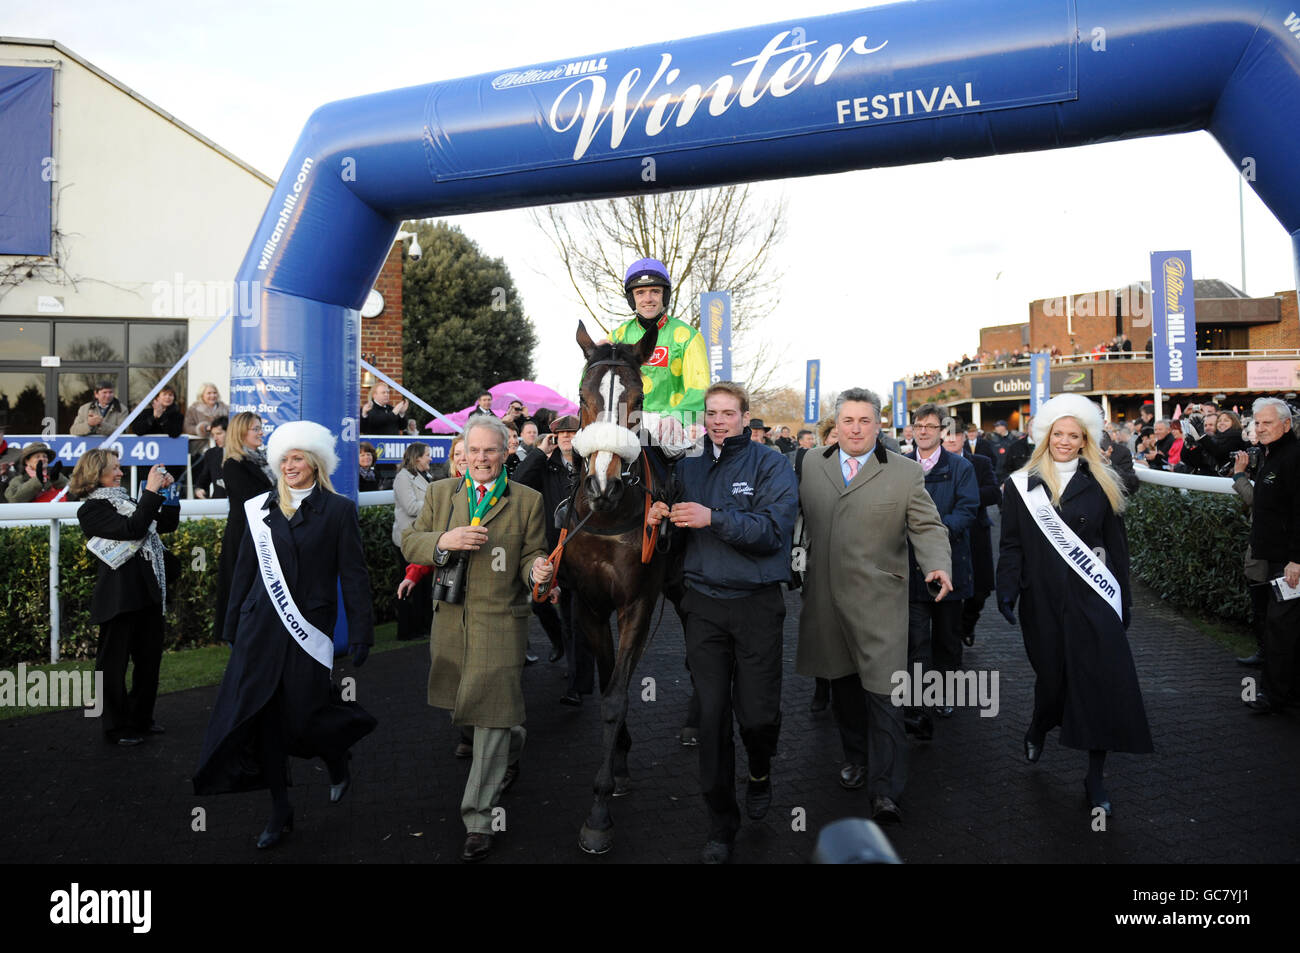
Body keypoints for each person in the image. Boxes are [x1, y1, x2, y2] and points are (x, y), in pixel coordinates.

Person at [194, 421, 375, 848]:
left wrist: (362, 630)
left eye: (297, 458)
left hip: (307, 630)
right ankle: (279, 809)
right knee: (264, 720)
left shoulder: (338, 510)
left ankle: (334, 753)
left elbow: (353, 575)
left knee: (304, 714)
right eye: (283, 460)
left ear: (314, 463)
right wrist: (232, 623)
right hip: (260, 628)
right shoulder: (258, 508)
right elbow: (244, 572)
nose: (289, 466)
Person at [647, 382, 798, 864]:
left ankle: (759, 769)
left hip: (756, 605)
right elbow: (671, 526)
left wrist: (715, 518)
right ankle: (720, 824)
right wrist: (658, 517)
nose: (717, 420)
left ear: (745, 417)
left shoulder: (770, 463)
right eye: (711, 412)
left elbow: (774, 533)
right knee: (710, 720)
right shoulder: (686, 464)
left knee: (756, 717)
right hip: (704, 607)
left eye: (728, 413)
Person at [795, 388, 952, 825]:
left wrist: (937, 565)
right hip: (826, 602)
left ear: (879, 425)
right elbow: (798, 518)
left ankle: (885, 791)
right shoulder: (811, 463)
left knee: (885, 698)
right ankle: (856, 758)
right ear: (836, 424)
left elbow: (927, 525)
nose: (856, 429)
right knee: (844, 693)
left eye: (865, 421)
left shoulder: (903, 473)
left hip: (881, 605)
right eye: (848, 421)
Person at [401, 415, 550, 862]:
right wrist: (444, 539)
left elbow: (532, 555)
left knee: (488, 719)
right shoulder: (441, 493)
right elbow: (411, 542)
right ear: (464, 454)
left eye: (491, 450)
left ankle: (479, 819)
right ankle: (513, 741)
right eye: (475, 451)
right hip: (449, 622)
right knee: (467, 710)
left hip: (501, 622)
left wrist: (538, 570)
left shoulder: (528, 500)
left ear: (506, 453)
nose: (482, 458)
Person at [996, 394, 1151, 816]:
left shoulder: (1102, 481)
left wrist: (1124, 600)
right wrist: (1006, 589)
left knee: (1098, 680)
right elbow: (1010, 544)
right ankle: (1040, 721)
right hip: (1043, 599)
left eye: (1074, 434)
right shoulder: (1020, 484)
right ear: (1046, 436)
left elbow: (1117, 549)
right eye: (1058, 433)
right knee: (1054, 677)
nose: (1065, 441)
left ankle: (1095, 778)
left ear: (1085, 439)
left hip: (1093, 596)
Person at [71, 451, 179, 746]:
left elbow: (166, 524)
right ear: (96, 473)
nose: (120, 472)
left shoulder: (129, 501)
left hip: (148, 590)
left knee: (149, 661)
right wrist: (149, 492)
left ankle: (141, 719)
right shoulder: (91, 510)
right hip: (119, 597)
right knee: (113, 664)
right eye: (114, 468)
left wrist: (167, 493)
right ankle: (116, 727)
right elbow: (132, 529)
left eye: (119, 467)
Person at [904, 408, 978, 734]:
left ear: (941, 430)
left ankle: (945, 693)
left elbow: (968, 510)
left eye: (930, 426)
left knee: (947, 639)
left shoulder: (960, 467)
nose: (923, 431)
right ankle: (918, 701)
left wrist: (932, 533)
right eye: (918, 426)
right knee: (915, 638)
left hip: (949, 567)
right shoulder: (900, 466)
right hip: (909, 569)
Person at [514, 415, 592, 699]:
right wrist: (538, 452)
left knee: (581, 621)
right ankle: (575, 676)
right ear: (554, 438)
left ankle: (579, 684)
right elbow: (517, 483)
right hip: (556, 554)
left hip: (588, 555)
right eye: (562, 434)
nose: (568, 438)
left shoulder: (591, 465)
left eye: (573, 433)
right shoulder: (545, 467)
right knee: (568, 619)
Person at [1238, 398, 1300, 712]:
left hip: (1288, 563)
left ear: (1286, 425)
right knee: (1282, 627)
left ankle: (1274, 696)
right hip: (1274, 558)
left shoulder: (1292, 457)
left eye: (1267, 423)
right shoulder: (1270, 455)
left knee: (1281, 628)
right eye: (1257, 423)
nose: (1259, 428)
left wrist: (1296, 559)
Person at [610, 258, 709, 454]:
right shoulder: (616, 337)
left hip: (673, 426)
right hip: (626, 424)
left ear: (664, 296)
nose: (648, 298)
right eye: (640, 292)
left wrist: (678, 416)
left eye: (655, 291)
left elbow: (700, 390)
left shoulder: (688, 337)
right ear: (632, 298)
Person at [213, 412, 275, 641]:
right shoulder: (233, 464)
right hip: (243, 537)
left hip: (264, 534)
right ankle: (238, 638)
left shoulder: (265, 460)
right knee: (242, 589)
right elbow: (254, 499)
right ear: (241, 433)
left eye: (260, 428)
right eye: (255, 429)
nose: (261, 433)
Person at [942, 426, 1000, 648]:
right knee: (951, 589)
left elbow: (994, 492)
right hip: (947, 532)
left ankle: (966, 626)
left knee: (980, 592)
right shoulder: (931, 464)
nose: (952, 439)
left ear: (964, 437)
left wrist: (968, 494)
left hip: (976, 533)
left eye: (956, 434)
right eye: (947, 434)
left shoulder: (981, 462)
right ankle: (952, 637)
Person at [392, 441, 435, 641]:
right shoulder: (403, 477)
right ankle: (407, 630)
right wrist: (435, 505)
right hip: (407, 539)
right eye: (427, 454)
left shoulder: (423, 476)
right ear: (417, 457)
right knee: (408, 585)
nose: (430, 458)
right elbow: (410, 507)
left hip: (421, 538)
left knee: (422, 587)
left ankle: (421, 625)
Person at [132, 385, 186, 485]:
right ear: (157, 397)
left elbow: (175, 432)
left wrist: (161, 417)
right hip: (147, 459)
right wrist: (153, 417)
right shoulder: (146, 413)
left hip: (170, 459)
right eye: (164, 394)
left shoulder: (177, 415)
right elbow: (137, 429)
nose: (168, 397)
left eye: (171, 395)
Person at [5, 442, 69, 503]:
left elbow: (73, 492)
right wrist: (37, 481)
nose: (42, 459)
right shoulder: (19, 479)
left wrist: (57, 479)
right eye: (37, 457)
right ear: (27, 461)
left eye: (44, 456)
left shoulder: (53, 475)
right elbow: (14, 499)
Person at [183, 383, 229, 458]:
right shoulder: (193, 409)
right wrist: (203, 428)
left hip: (222, 449)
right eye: (209, 393)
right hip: (200, 449)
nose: (212, 396)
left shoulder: (225, 408)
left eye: (215, 393)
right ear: (202, 395)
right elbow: (187, 427)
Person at [192, 416, 228, 499]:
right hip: (218, 504)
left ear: (230, 432)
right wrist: (199, 489)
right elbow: (204, 478)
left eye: (219, 433)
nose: (215, 438)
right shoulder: (211, 454)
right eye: (213, 434)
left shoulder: (244, 453)